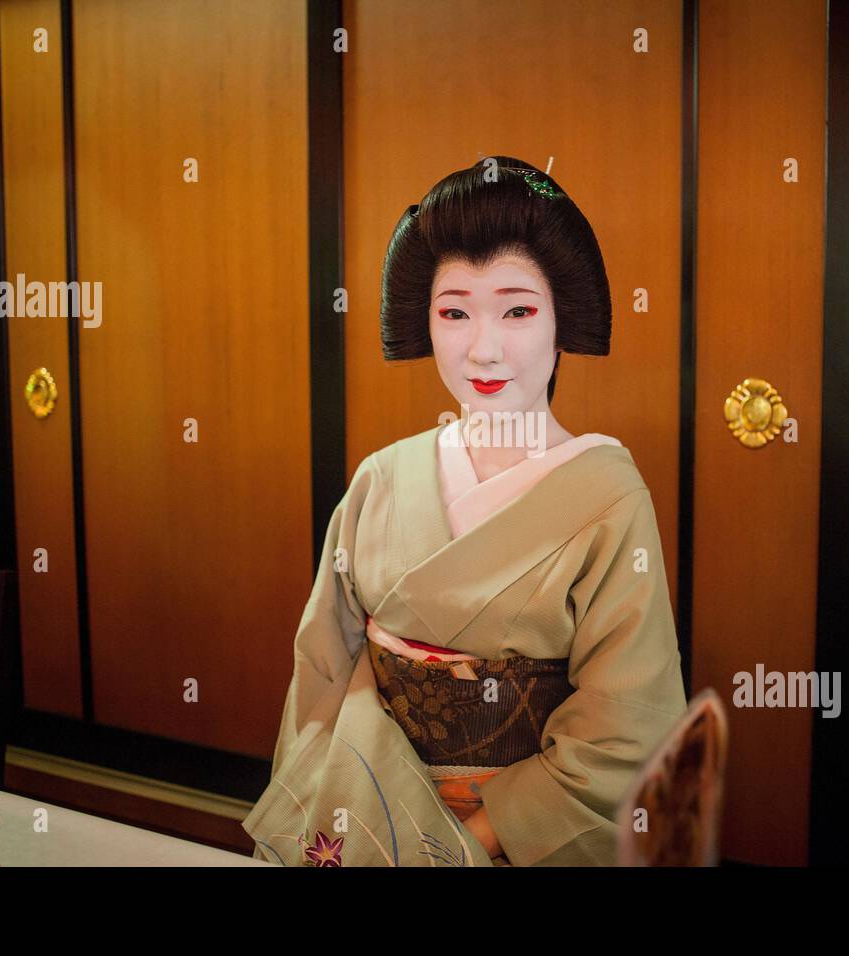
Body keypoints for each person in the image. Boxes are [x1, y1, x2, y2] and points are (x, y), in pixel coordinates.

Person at [243, 156, 687, 867]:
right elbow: (322, 672)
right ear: (424, 319)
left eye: (517, 309)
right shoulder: (381, 479)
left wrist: (455, 847)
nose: (483, 347)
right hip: (364, 815)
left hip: (511, 842)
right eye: (454, 311)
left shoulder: (609, 497)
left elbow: (625, 725)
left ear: (561, 318)